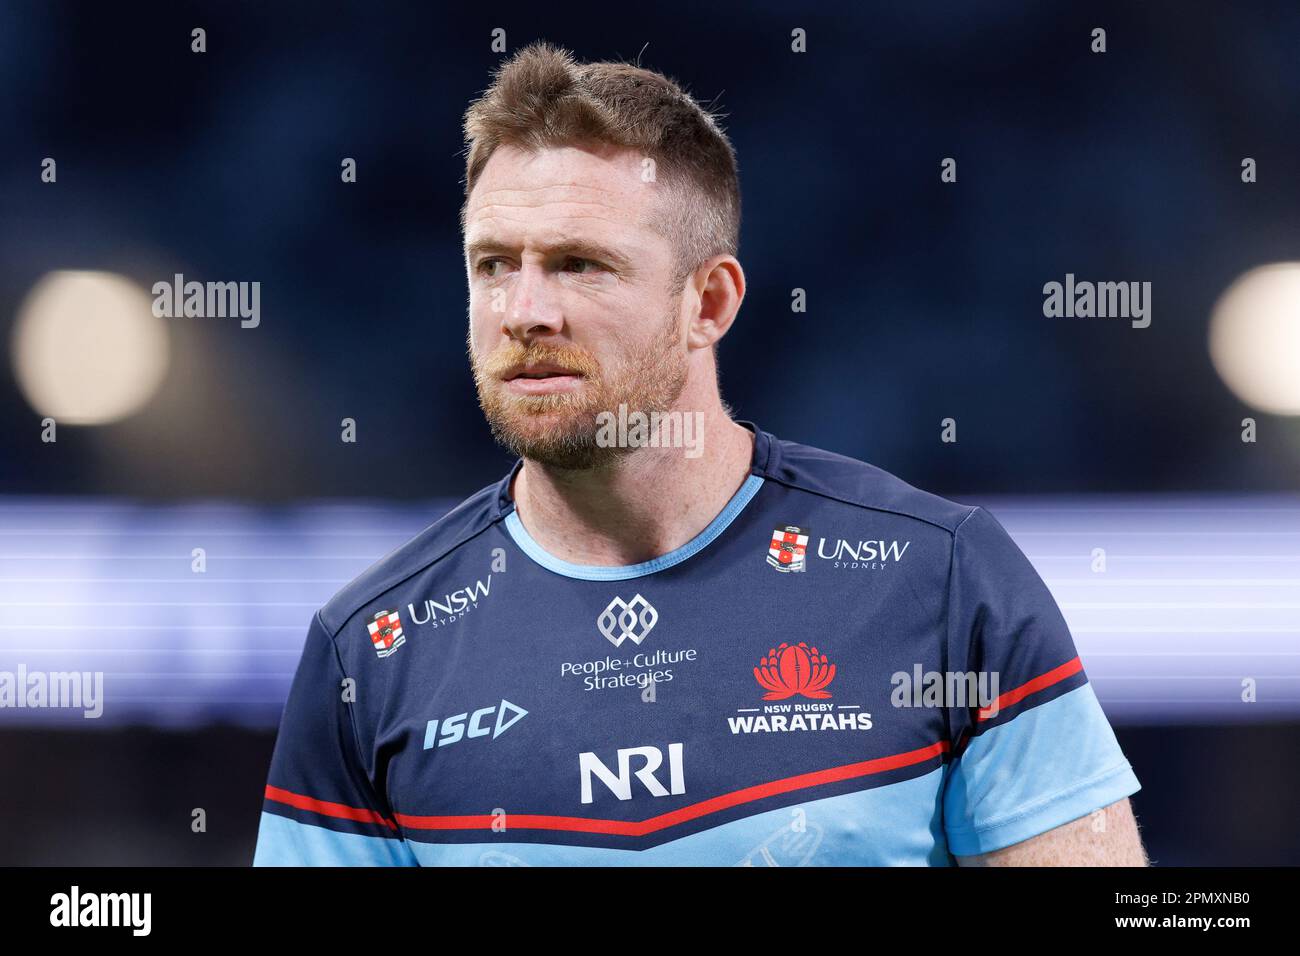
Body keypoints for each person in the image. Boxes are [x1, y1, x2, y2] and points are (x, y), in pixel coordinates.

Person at [253, 41, 1146, 866]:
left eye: (578, 264)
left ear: (708, 304)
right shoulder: (368, 654)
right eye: (493, 265)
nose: (524, 312)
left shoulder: (941, 581)